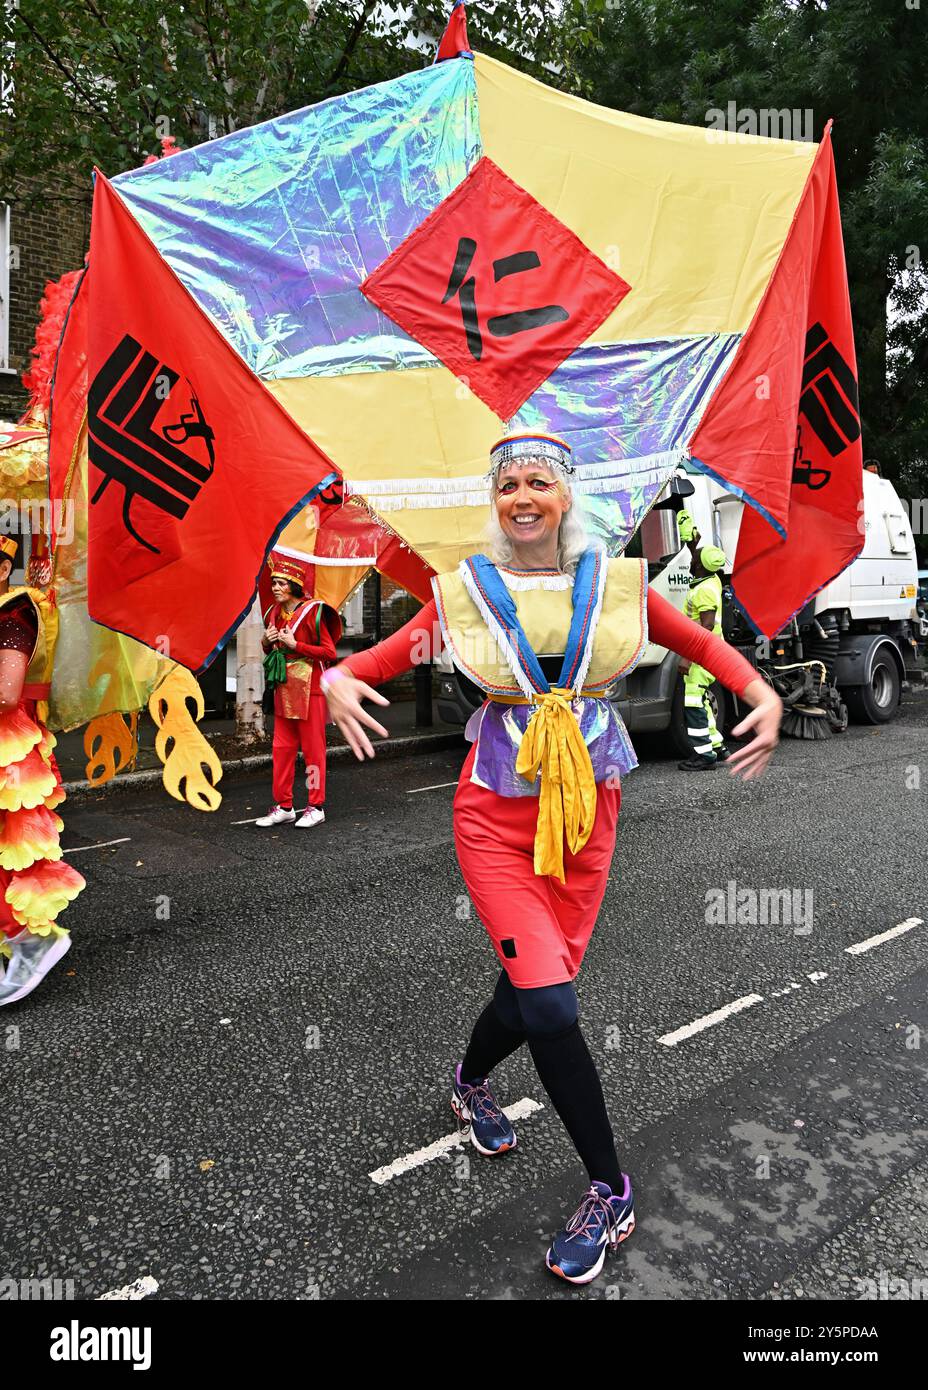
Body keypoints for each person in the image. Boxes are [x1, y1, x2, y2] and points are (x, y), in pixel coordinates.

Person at [322, 433, 782, 1286]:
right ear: (494, 503)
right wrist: (339, 680)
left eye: (539, 482)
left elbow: (696, 643)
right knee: (553, 1005)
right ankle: (611, 1189)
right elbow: (383, 657)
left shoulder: (609, 586)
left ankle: (467, 1083)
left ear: (564, 498)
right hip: (495, 819)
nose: (523, 496)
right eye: (508, 485)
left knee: (531, 991)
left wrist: (761, 692)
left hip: (585, 820)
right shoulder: (466, 592)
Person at [0, 536, 85, 1007]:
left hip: (8, 747)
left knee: (14, 850)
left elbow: (6, 692)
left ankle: (32, 940)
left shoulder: (14, 612)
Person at [256, 555, 339, 828]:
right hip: (284, 689)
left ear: (294, 585)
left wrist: (296, 645)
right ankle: (284, 805)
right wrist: (266, 643)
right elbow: (273, 649)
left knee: (314, 751)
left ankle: (316, 806)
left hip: (311, 689)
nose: (276, 588)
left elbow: (329, 652)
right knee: (281, 749)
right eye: (274, 583)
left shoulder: (313, 612)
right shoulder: (273, 614)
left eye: (281, 583)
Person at [675, 508, 732, 771]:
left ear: (699, 564)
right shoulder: (710, 578)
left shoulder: (705, 591)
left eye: (695, 557)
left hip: (701, 654)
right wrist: (688, 527)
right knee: (702, 699)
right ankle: (717, 746)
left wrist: (687, 656)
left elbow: (706, 626)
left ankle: (703, 756)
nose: (691, 557)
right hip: (707, 652)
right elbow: (697, 549)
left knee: (693, 703)